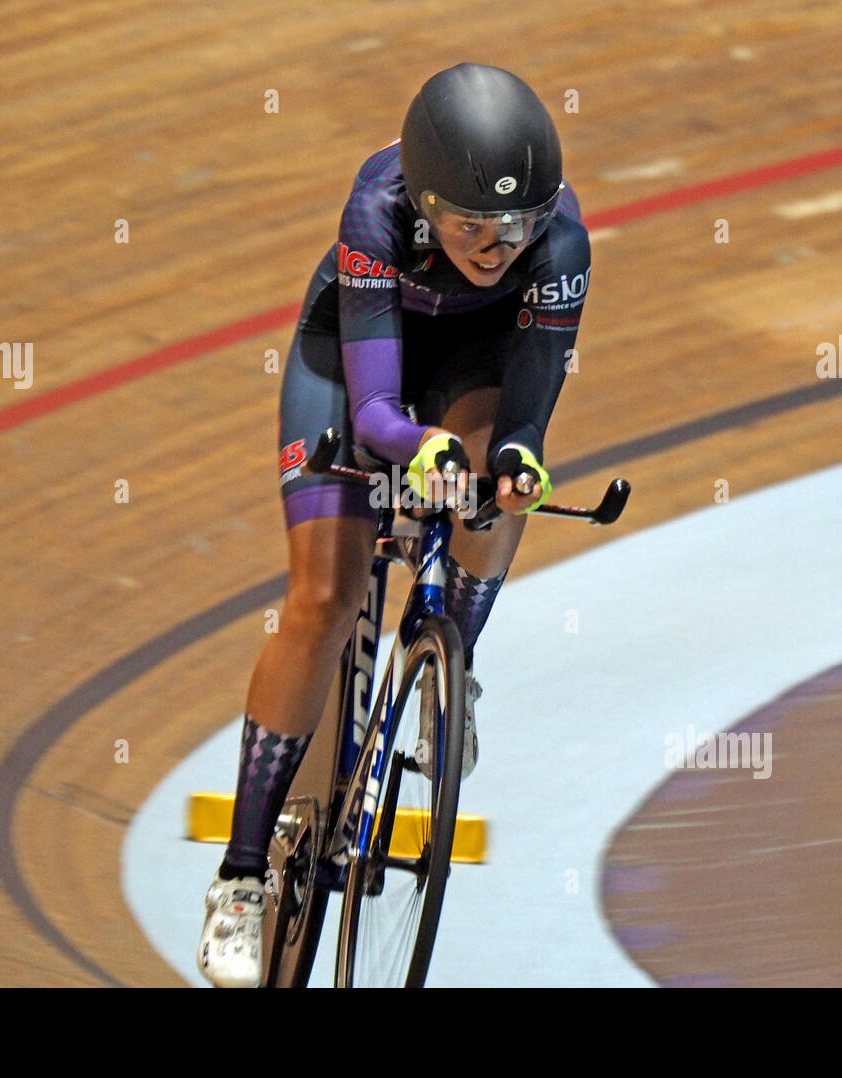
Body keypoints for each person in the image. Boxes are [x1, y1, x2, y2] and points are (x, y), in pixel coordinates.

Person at [198, 62, 592, 988]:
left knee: (497, 487)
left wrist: (516, 458)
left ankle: (451, 668)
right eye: (470, 226)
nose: (497, 248)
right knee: (324, 600)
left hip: (476, 361)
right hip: (356, 361)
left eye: (514, 227)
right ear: (424, 202)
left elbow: (529, 413)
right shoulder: (376, 211)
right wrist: (413, 447)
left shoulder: (561, 241)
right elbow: (376, 416)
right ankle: (242, 876)